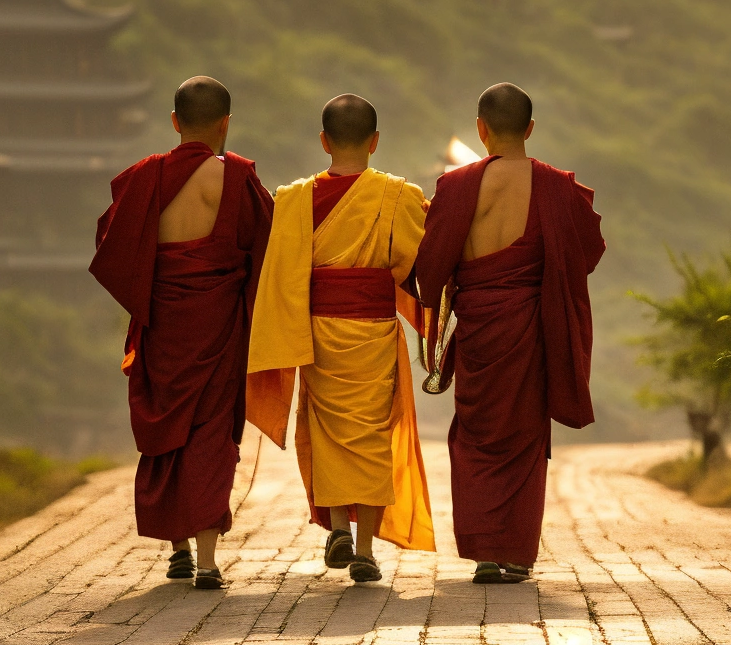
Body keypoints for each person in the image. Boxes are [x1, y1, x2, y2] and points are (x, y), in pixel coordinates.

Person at [407, 82, 604, 584]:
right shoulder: (558, 187)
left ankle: (485, 554)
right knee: (523, 439)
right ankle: (515, 554)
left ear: (481, 129)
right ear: (531, 129)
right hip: (531, 330)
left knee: (475, 437)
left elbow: (429, 270)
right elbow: (587, 251)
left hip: (479, 333)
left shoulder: (456, 187)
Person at [91, 75, 273, 590]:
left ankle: (178, 550)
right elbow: (268, 246)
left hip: (163, 324)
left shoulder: (147, 176)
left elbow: (113, 244)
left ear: (175, 122)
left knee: (166, 428)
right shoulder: (236, 178)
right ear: (226, 124)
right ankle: (209, 560)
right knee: (212, 436)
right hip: (218, 327)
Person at [245, 93, 433, 584]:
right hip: (372, 327)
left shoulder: (294, 199)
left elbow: (282, 271)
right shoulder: (398, 196)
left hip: (319, 330)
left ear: (324, 140)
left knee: (326, 430)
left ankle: (337, 530)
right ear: (375, 142)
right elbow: (417, 262)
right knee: (371, 434)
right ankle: (365, 548)